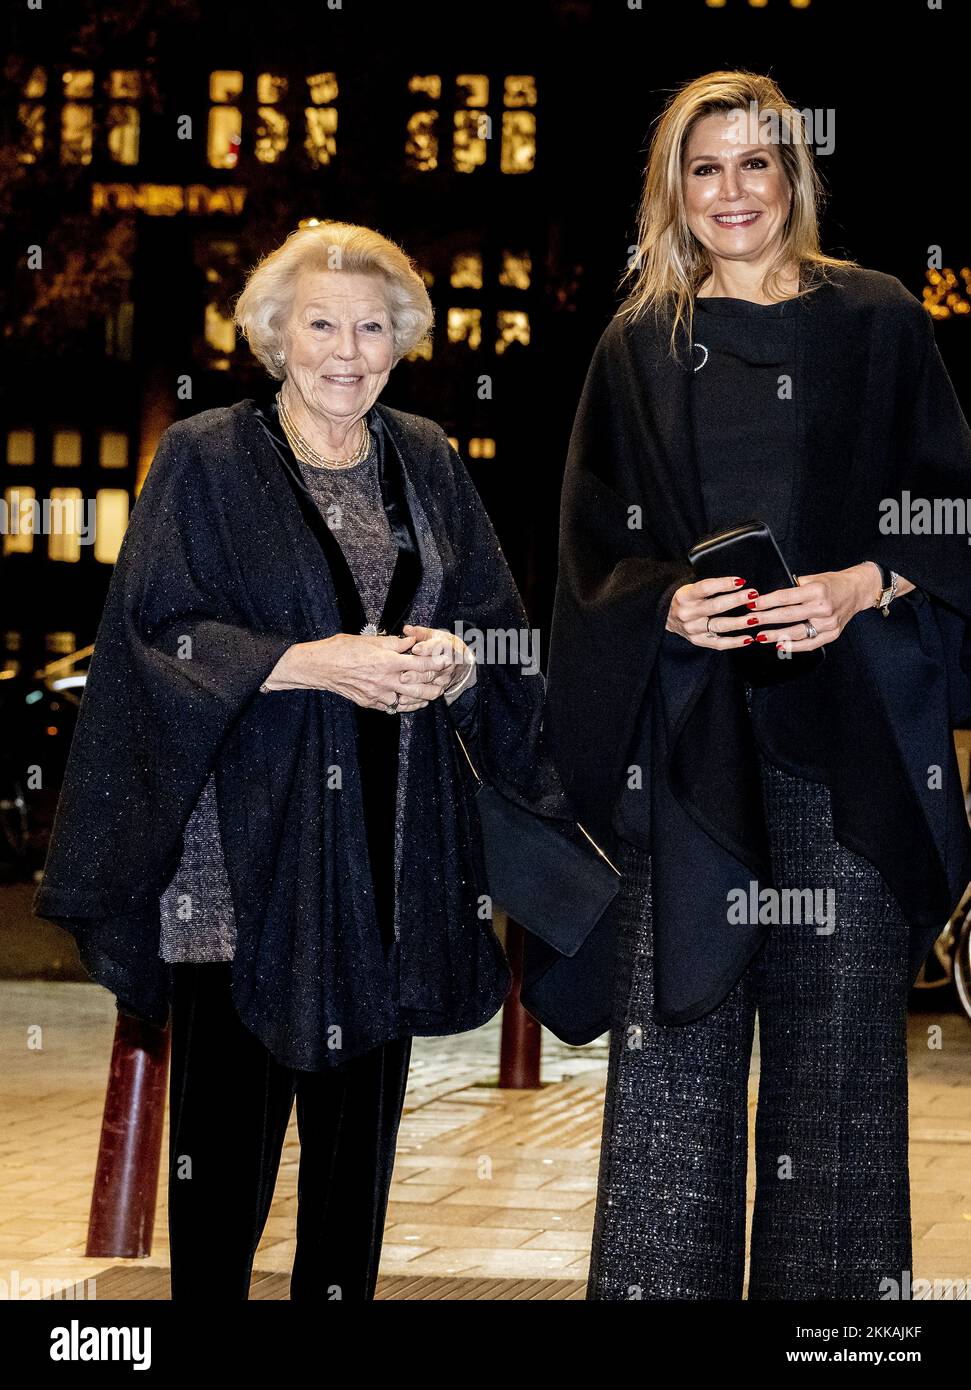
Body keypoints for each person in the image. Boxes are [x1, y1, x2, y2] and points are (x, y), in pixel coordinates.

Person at [34, 220, 565, 1301]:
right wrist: (310, 662)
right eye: (321, 324)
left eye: (372, 327)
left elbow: (496, 624)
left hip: (388, 864)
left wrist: (458, 660)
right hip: (237, 863)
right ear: (274, 338)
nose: (347, 349)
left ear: (401, 340)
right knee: (223, 1175)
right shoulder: (204, 455)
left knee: (351, 1182)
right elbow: (154, 631)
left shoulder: (425, 456)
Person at [544, 71, 971, 1299]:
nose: (730, 191)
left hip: (845, 751)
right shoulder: (635, 345)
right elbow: (582, 555)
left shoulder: (877, 317)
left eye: (754, 164)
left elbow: (951, 506)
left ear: (793, 177)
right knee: (668, 1083)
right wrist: (657, 601)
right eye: (703, 167)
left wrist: (861, 581)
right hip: (682, 755)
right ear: (672, 190)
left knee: (837, 1088)